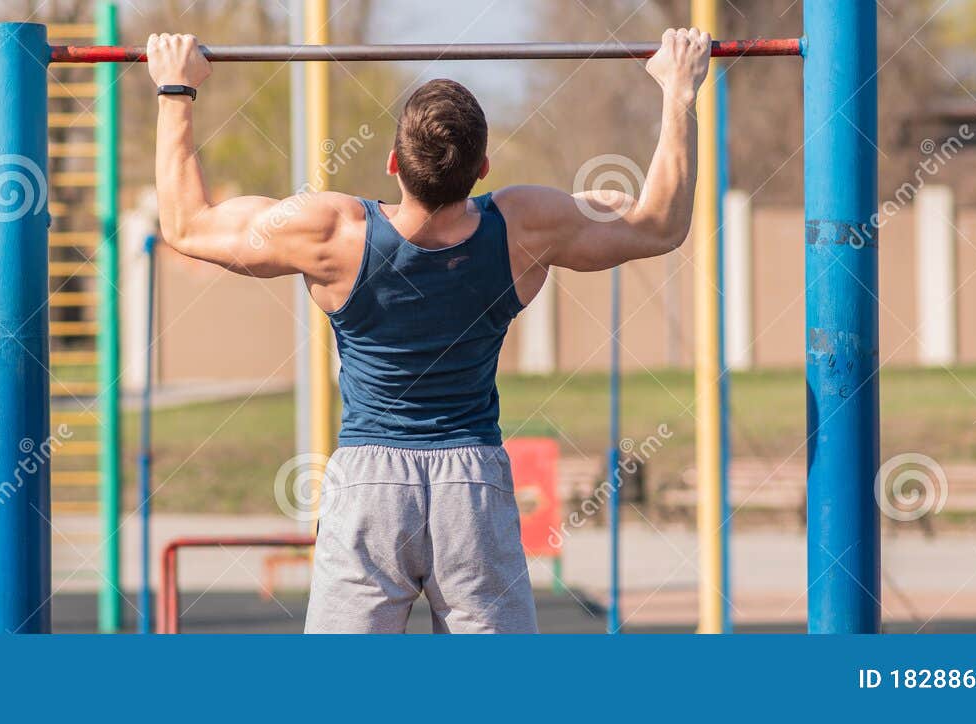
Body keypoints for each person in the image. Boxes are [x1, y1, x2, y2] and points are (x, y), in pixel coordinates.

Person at [147, 28, 712, 633]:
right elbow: (659, 224)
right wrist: (678, 90)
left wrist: (176, 89)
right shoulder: (524, 225)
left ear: (393, 163)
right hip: (472, 486)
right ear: (483, 168)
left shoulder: (334, 232)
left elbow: (188, 225)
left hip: (369, 485)